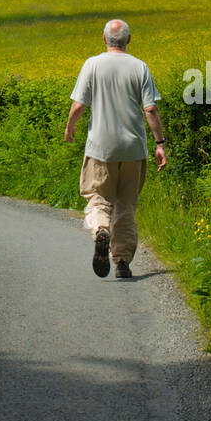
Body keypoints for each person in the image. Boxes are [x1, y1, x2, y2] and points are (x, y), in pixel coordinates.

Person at [64, 19, 166, 279]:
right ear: (129, 40)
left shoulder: (92, 64)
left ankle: (101, 229)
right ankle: (121, 262)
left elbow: (79, 106)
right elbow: (150, 109)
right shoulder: (140, 67)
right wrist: (160, 144)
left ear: (104, 38)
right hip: (133, 150)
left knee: (98, 198)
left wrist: (70, 127)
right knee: (126, 205)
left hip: (101, 148)